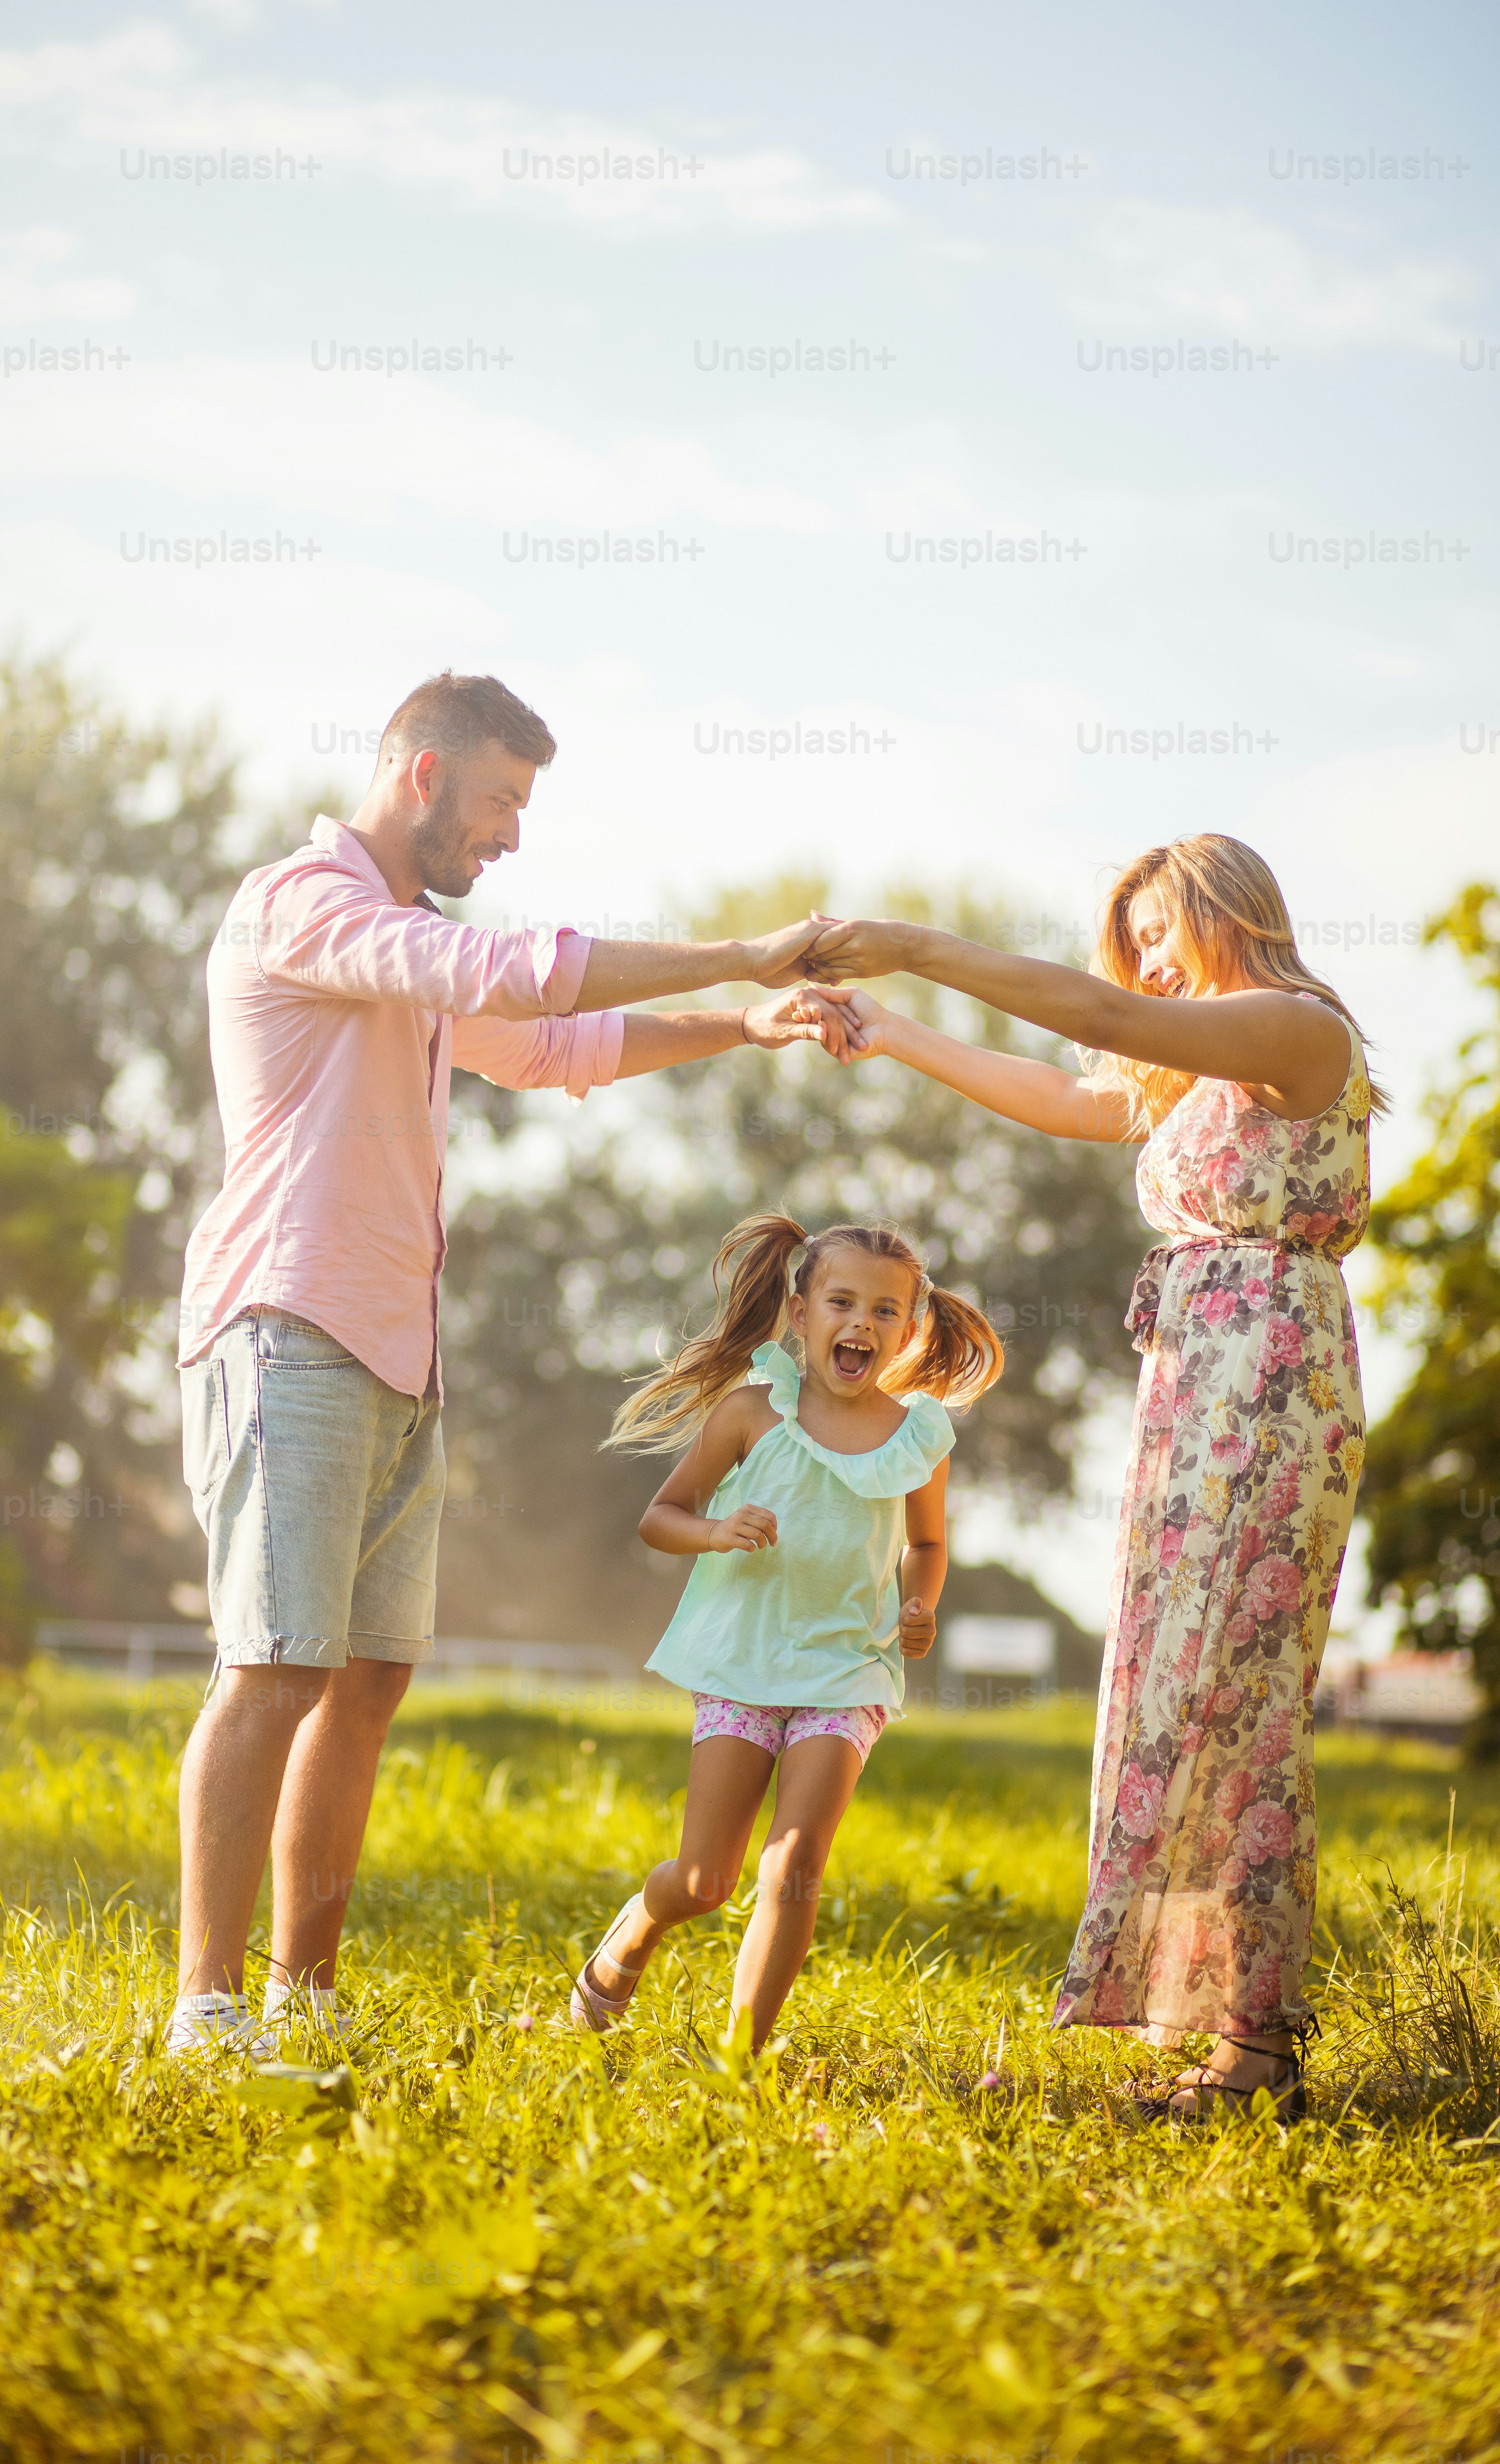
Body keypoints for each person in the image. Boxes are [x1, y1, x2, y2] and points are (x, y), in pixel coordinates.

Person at [168, 670, 845, 2058]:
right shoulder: (306, 907)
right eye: (499, 802)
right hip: (287, 1327)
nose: (511, 837)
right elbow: (509, 974)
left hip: (393, 1349)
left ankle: (300, 1997)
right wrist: (744, 955)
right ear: (422, 776)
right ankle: (206, 2008)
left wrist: (741, 1022)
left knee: (364, 1678)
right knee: (274, 1666)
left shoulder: (401, 946)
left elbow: (546, 1044)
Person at [808, 834, 1377, 2119]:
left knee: (1237, 1694)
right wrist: (898, 1028)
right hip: (1197, 1392)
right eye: (1138, 947)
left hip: (1272, 1392)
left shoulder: (1292, 1028)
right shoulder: (1196, 1071)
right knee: (1176, 1689)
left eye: (1166, 932)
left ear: (1232, 914)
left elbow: (1094, 1015)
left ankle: (1258, 2047)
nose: (1151, 966)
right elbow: (1065, 1088)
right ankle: (1207, 2017)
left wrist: (914, 940)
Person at [567, 1213, 1001, 2049]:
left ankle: (740, 2063)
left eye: (884, 1311)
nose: (860, 1324)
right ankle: (631, 1935)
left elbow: (928, 1543)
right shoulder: (749, 1412)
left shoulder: (918, 1435)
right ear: (800, 1315)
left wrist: (919, 1604)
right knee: (704, 1881)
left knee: (792, 1867)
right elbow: (661, 1517)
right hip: (741, 1664)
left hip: (848, 1669)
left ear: (908, 1330)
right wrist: (715, 1532)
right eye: (841, 1302)